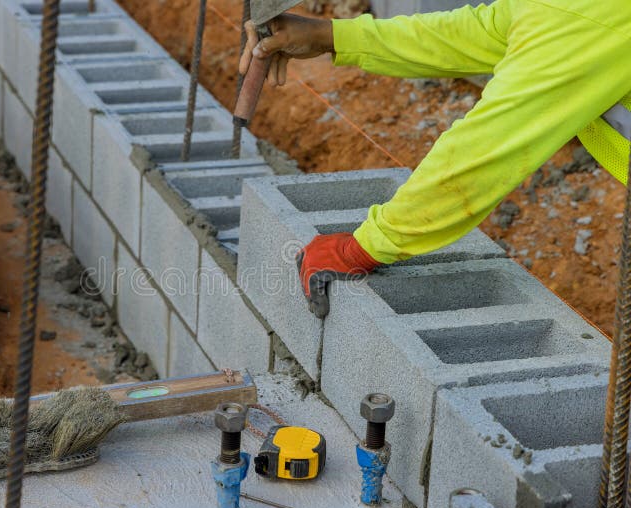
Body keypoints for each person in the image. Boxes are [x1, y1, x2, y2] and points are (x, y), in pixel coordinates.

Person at [239, 0, 631, 318]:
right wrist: (332, 36)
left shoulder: (589, 13)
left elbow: (485, 150)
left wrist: (362, 248)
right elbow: (480, 32)